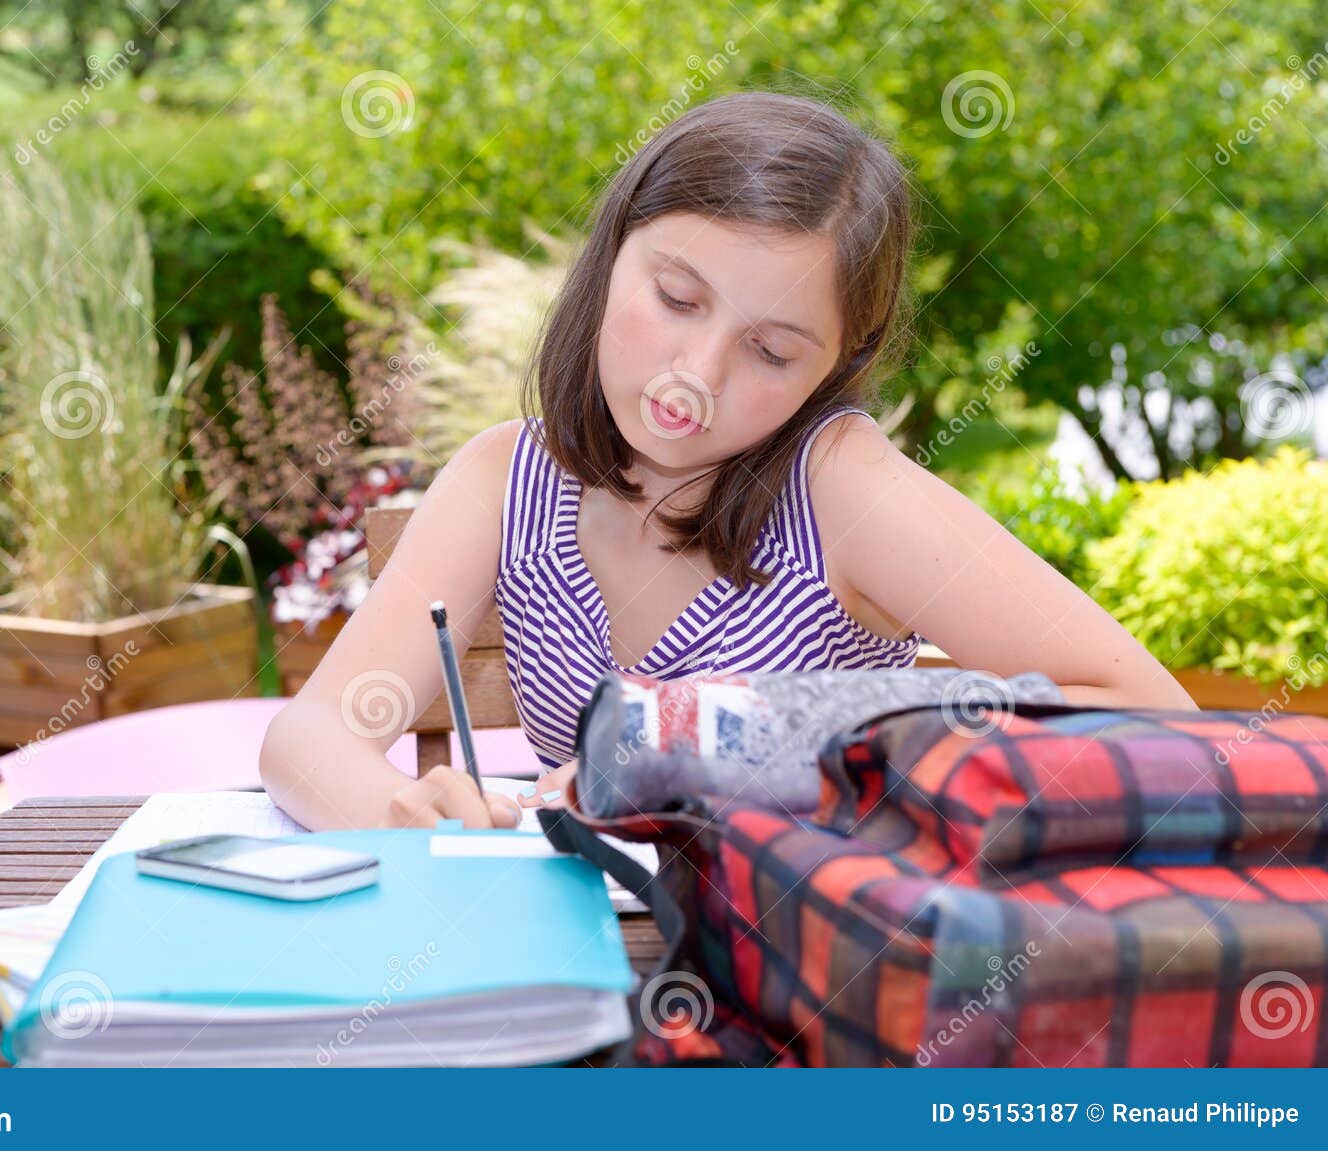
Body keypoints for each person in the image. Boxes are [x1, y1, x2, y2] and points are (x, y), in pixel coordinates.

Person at [259, 89, 1196, 831]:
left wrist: (743, 741)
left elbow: (1156, 717)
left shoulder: (837, 493)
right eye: (676, 297)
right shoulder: (508, 480)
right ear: (610, 255)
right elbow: (309, 737)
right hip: (585, 975)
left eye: (773, 352)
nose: (695, 374)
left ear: (839, 364)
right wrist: (401, 821)